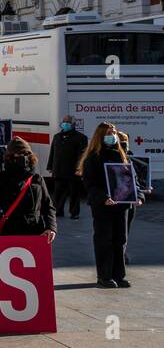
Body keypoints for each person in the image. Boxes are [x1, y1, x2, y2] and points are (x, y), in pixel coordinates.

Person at [77, 122, 138, 288]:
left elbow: (132, 178)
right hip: (103, 205)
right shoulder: (94, 157)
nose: (113, 136)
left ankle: (119, 275)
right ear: (101, 136)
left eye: (114, 133)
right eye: (109, 133)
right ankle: (104, 276)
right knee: (105, 240)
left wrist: (137, 195)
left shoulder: (122, 155)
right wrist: (103, 197)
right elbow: (90, 183)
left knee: (120, 239)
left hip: (122, 205)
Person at [0, 138, 57, 244]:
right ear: (10, 156)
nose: (21, 157)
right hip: (9, 231)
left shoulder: (36, 178)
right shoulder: (0, 178)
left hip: (35, 232)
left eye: (24, 153)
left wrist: (51, 227)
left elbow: (48, 206)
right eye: (17, 154)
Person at [47, 115, 87, 220]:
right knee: (58, 193)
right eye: (64, 121)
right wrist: (50, 166)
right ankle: (58, 211)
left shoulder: (81, 138)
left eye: (68, 122)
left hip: (73, 172)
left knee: (74, 193)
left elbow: (82, 155)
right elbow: (53, 153)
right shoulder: (57, 137)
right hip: (59, 170)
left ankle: (74, 212)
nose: (65, 123)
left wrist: (79, 168)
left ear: (73, 124)